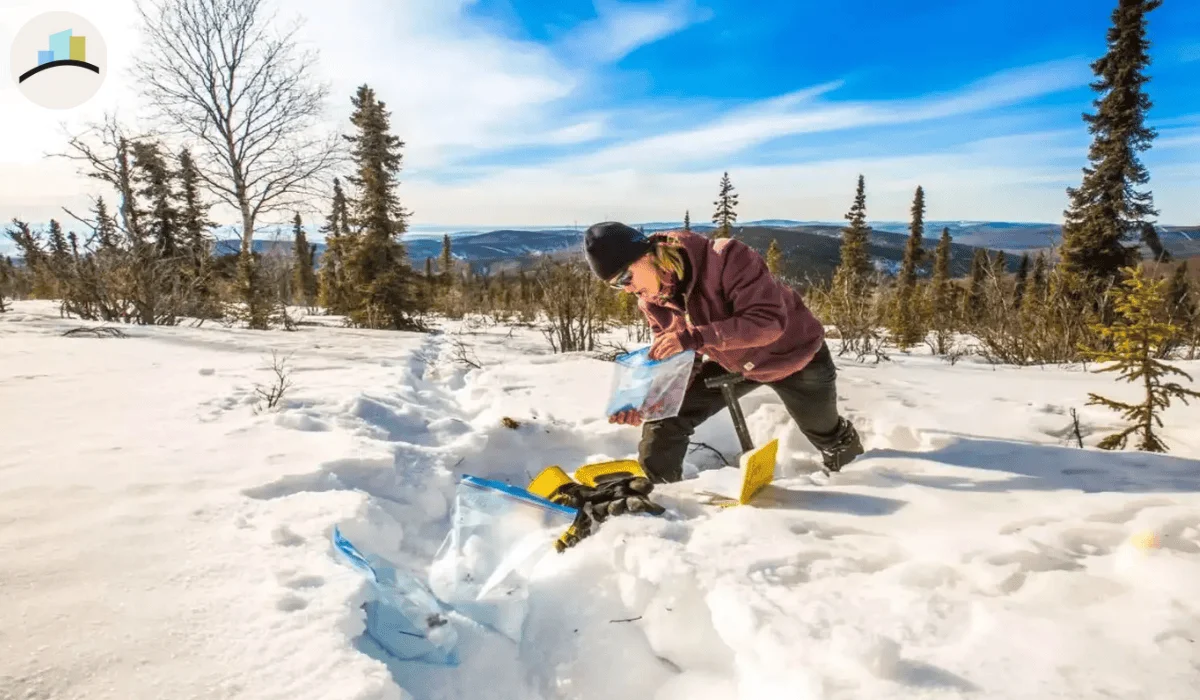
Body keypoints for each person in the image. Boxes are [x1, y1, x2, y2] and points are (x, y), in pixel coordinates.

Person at [583, 221, 863, 483]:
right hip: (734, 362)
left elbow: (768, 322)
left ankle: (865, 478)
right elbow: (676, 358)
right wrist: (652, 400)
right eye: (617, 284)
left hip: (795, 357)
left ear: (650, 254)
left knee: (826, 433)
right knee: (666, 419)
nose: (628, 289)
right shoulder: (652, 300)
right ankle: (660, 496)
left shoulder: (725, 258)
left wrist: (695, 336)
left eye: (626, 276)